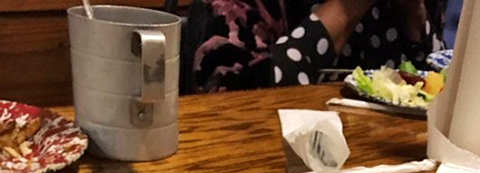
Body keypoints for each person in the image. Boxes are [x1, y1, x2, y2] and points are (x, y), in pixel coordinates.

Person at [180, 0, 446, 93]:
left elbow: (437, 86)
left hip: (395, 172)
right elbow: (230, 99)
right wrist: (349, 7)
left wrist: (414, 13)